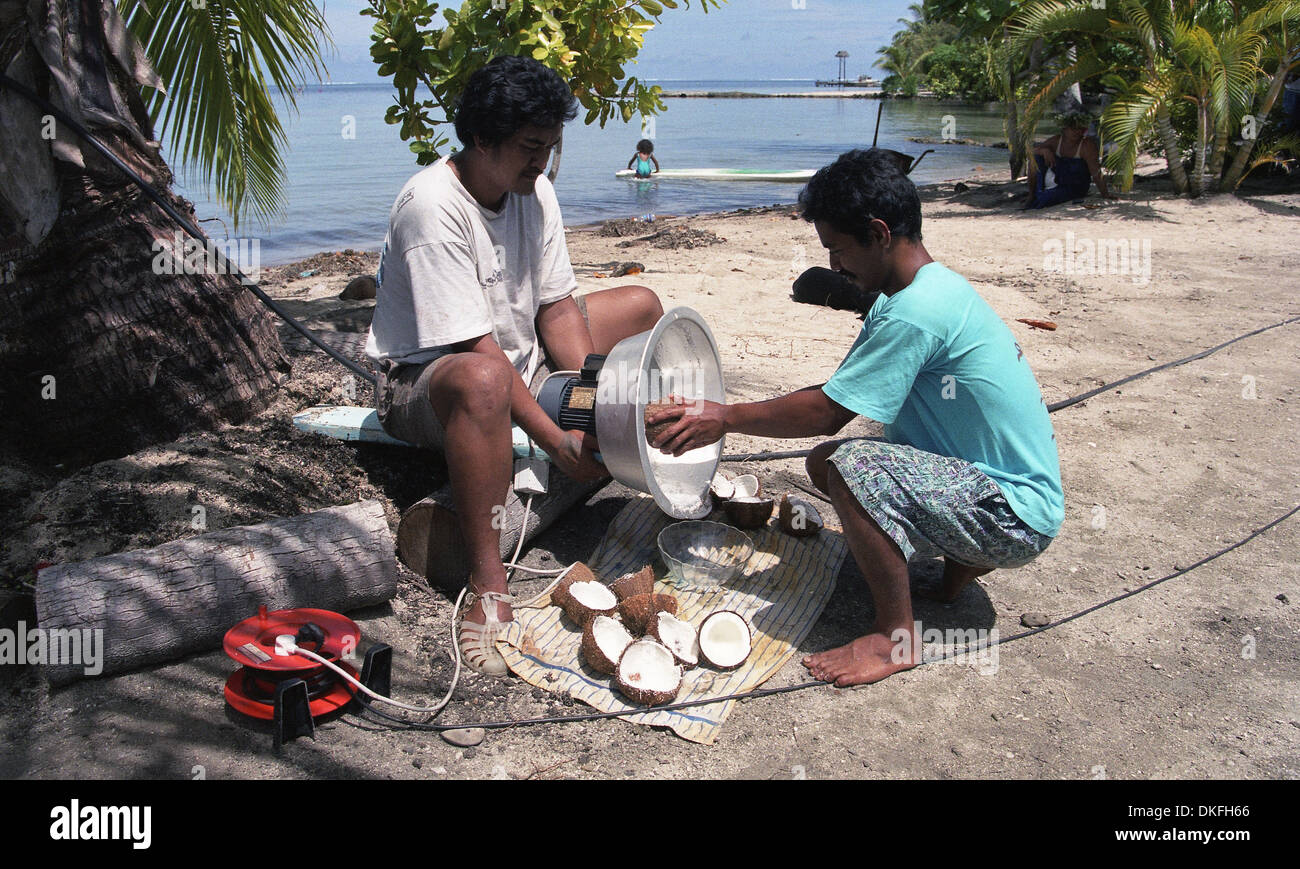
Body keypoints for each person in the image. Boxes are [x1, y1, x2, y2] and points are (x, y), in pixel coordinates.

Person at [646, 149, 1064, 688]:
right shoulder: (926, 289)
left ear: (879, 232)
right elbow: (845, 382)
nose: (837, 265)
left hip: (1014, 519)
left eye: (839, 250)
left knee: (854, 468)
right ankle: (959, 567)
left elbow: (825, 411)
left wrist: (724, 416)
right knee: (826, 464)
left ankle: (896, 637)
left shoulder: (916, 314)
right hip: (1002, 492)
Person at [365, 56, 664, 676]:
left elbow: (555, 310)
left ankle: (602, 435)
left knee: (640, 305)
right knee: (484, 381)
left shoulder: (535, 191)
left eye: (551, 147)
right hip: (426, 382)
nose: (543, 163)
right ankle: (487, 582)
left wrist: (587, 406)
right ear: (481, 138)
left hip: (514, 360)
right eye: (531, 147)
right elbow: (474, 350)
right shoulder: (432, 205)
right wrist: (557, 443)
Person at [1024, 110, 1115, 209]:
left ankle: (1040, 197)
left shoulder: (1087, 145)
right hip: (1058, 180)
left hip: (1076, 185)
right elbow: (1032, 151)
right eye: (1073, 128)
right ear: (1065, 129)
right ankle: (1032, 194)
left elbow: (1096, 172)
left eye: (1080, 129)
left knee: (1045, 199)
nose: (1077, 132)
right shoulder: (1056, 141)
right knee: (1036, 158)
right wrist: (1044, 151)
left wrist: (1105, 194)